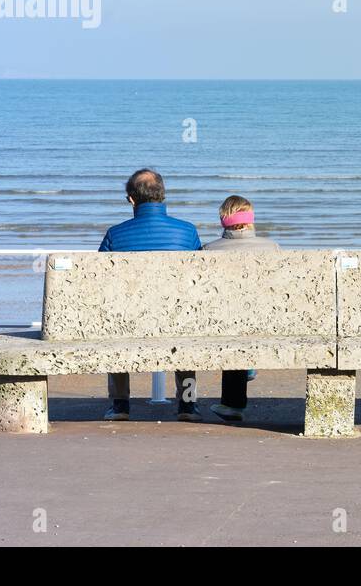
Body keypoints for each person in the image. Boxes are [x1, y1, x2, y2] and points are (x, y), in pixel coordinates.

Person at [98, 168, 203, 422]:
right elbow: (200, 279)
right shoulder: (187, 232)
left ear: (132, 200)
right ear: (162, 196)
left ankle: (121, 405)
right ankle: (187, 405)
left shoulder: (115, 234)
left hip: (130, 320)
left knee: (117, 324)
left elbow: (99, 280)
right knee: (184, 326)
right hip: (177, 320)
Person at [202, 194, 279, 423]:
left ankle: (232, 404)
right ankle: (247, 368)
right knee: (243, 322)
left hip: (225, 322)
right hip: (265, 319)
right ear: (251, 219)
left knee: (232, 323)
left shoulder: (209, 250)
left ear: (222, 220)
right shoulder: (271, 248)